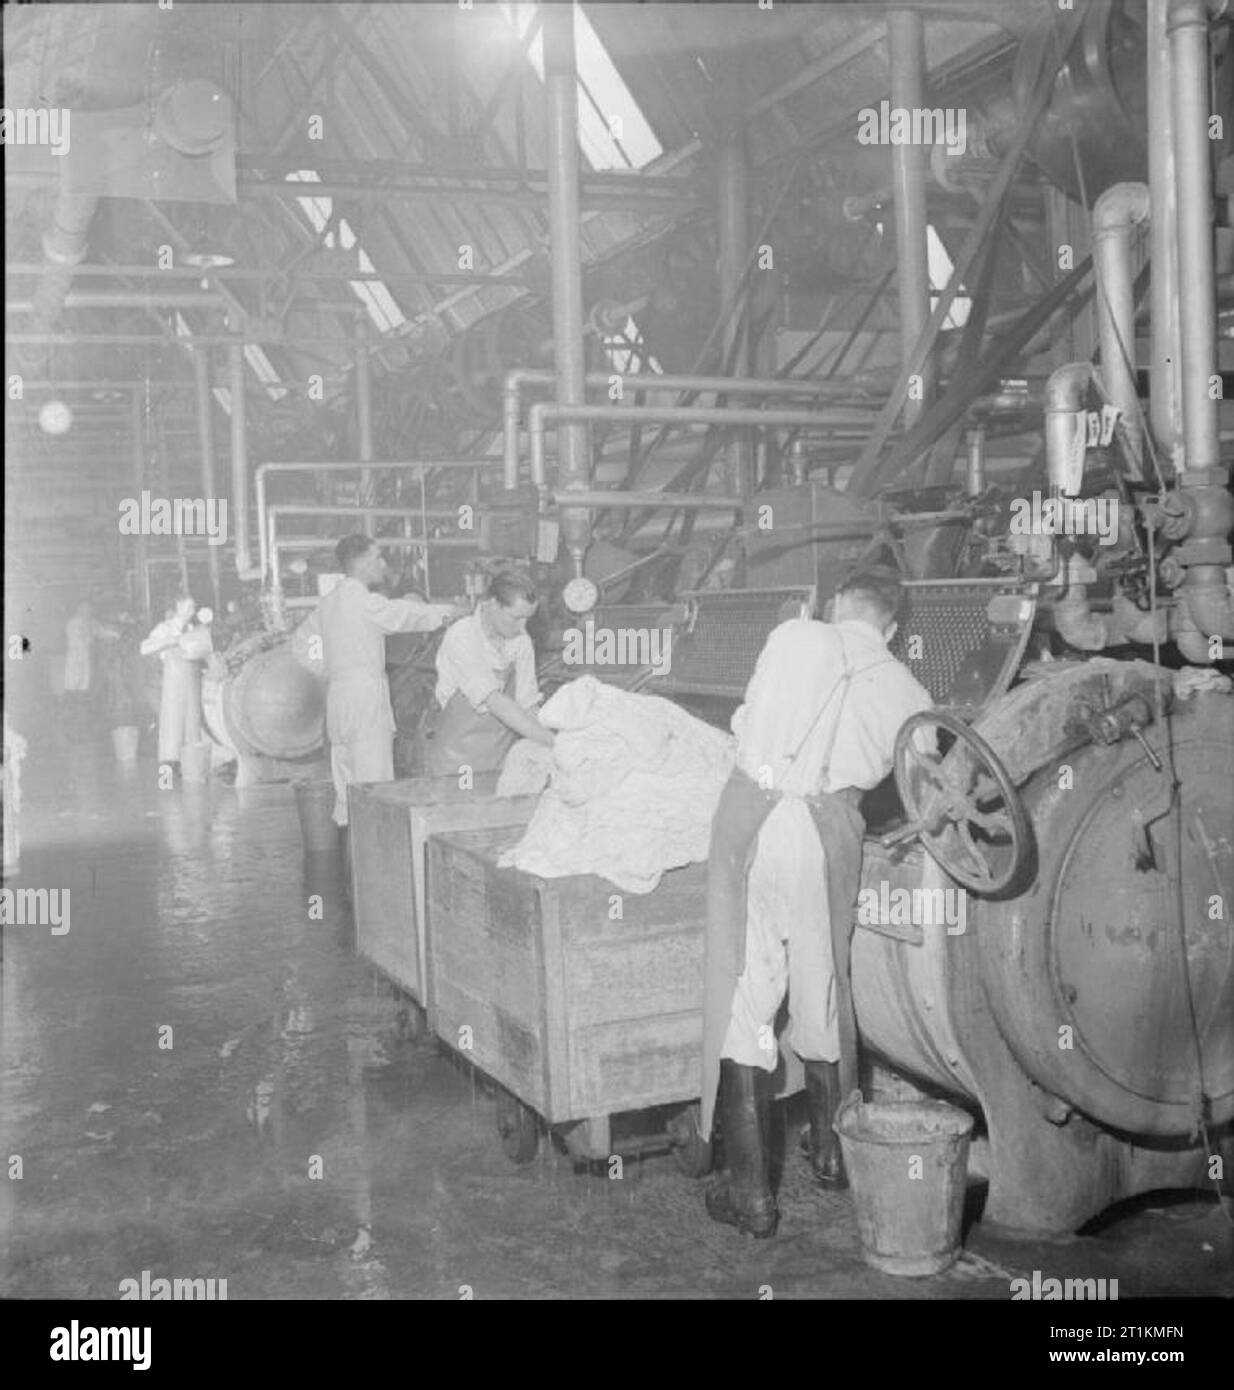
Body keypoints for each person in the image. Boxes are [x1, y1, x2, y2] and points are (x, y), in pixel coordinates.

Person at [701, 569, 933, 1238]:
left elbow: (745, 724)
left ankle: (752, 1198)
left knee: (748, 996)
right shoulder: (907, 688)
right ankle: (833, 1159)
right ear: (892, 628)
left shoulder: (795, 637)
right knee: (822, 988)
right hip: (832, 835)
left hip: (760, 825)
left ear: (836, 605)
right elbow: (922, 774)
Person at [291, 535, 465, 829]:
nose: (383, 564)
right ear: (361, 562)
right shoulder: (364, 602)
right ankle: (376, 858)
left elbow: (301, 643)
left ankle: (350, 865)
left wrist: (331, 668)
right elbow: (407, 615)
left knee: (346, 784)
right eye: (378, 557)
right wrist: (452, 612)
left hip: (339, 697)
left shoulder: (330, 602)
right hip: (365, 698)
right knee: (375, 782)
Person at [416, 568, 554, 778]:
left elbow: (528, 704)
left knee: (496, 808)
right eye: (516, 618)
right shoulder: (462, 635)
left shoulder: (521, 641)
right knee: (462, 807)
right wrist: (551, 741)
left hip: (498, 758)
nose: (522, 626)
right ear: (493, 605)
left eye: (528, 619)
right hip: (457, 760)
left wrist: (553, 737)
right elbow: (494, 700)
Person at [140, 595, 210, 771]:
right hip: (173, 687)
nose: (191, 612)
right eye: (188, 607)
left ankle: (192, 775)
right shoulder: (165, 627)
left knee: (192, 733)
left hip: (192, 685)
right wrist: (169, 641)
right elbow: (144, 648)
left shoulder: (193, 628)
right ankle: (166, 781)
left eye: (193, 608)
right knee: (170, 736)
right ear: (178, 607)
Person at [63, 599, 118, 735]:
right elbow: (79, 641)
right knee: (73, 693)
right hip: (75, 660)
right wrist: (91, 636)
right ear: (78, 609)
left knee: (84, 693)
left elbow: (102, 632)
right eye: (84, 609)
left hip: (86, 661)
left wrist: (116, 634)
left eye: (89, 609)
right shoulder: (73, 624)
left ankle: (82, 728)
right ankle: (72, 728)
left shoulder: (92, 623)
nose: (87, 612)